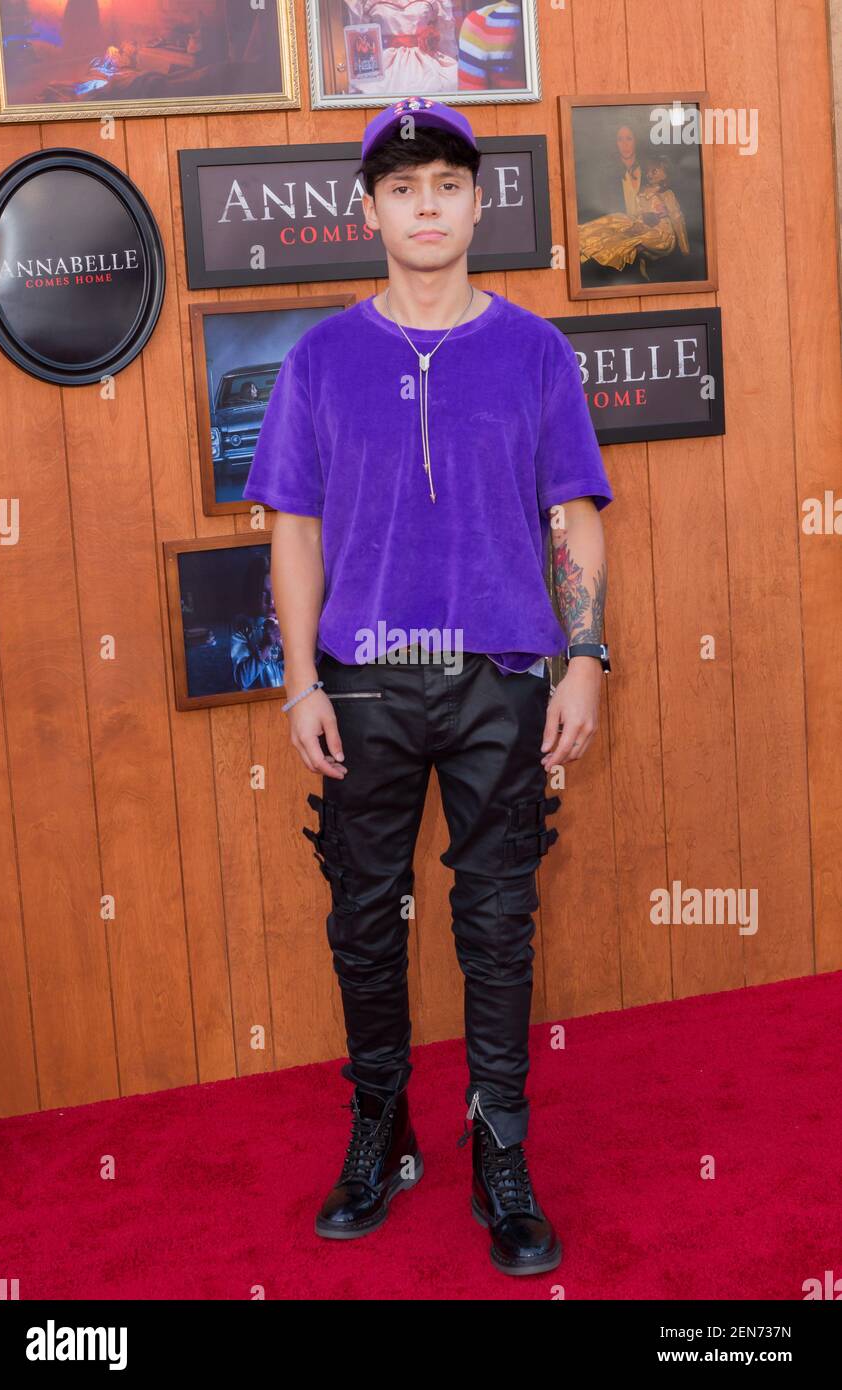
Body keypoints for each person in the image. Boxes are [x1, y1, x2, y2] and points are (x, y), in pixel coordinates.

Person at [241, 96, 614, 1277]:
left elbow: (576, 520)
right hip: (362, 685)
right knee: (363, 920)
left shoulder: (534, 350)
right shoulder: (318, 358)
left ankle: (496, 1146)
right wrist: (299, 683)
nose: (425, 207)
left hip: (501, 676)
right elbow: (290, 533)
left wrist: (583, 655)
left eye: (446, 186)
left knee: (496, 924)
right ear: (369, 209)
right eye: (402, 189)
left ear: (477, 202)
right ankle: (381, 1130)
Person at [579, 155, 689, 279]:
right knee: (619, 220)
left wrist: (684, 247)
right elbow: (638, 213)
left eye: (654, 171)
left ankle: (606, 261)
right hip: (645, 226)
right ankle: (591, 245)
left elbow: (677, 219)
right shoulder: (642, 192)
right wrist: (641, 219)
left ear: (666, 173)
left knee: (634, 242)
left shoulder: (667, 194)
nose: (649, 174)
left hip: (662, 234)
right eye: (647, 171)